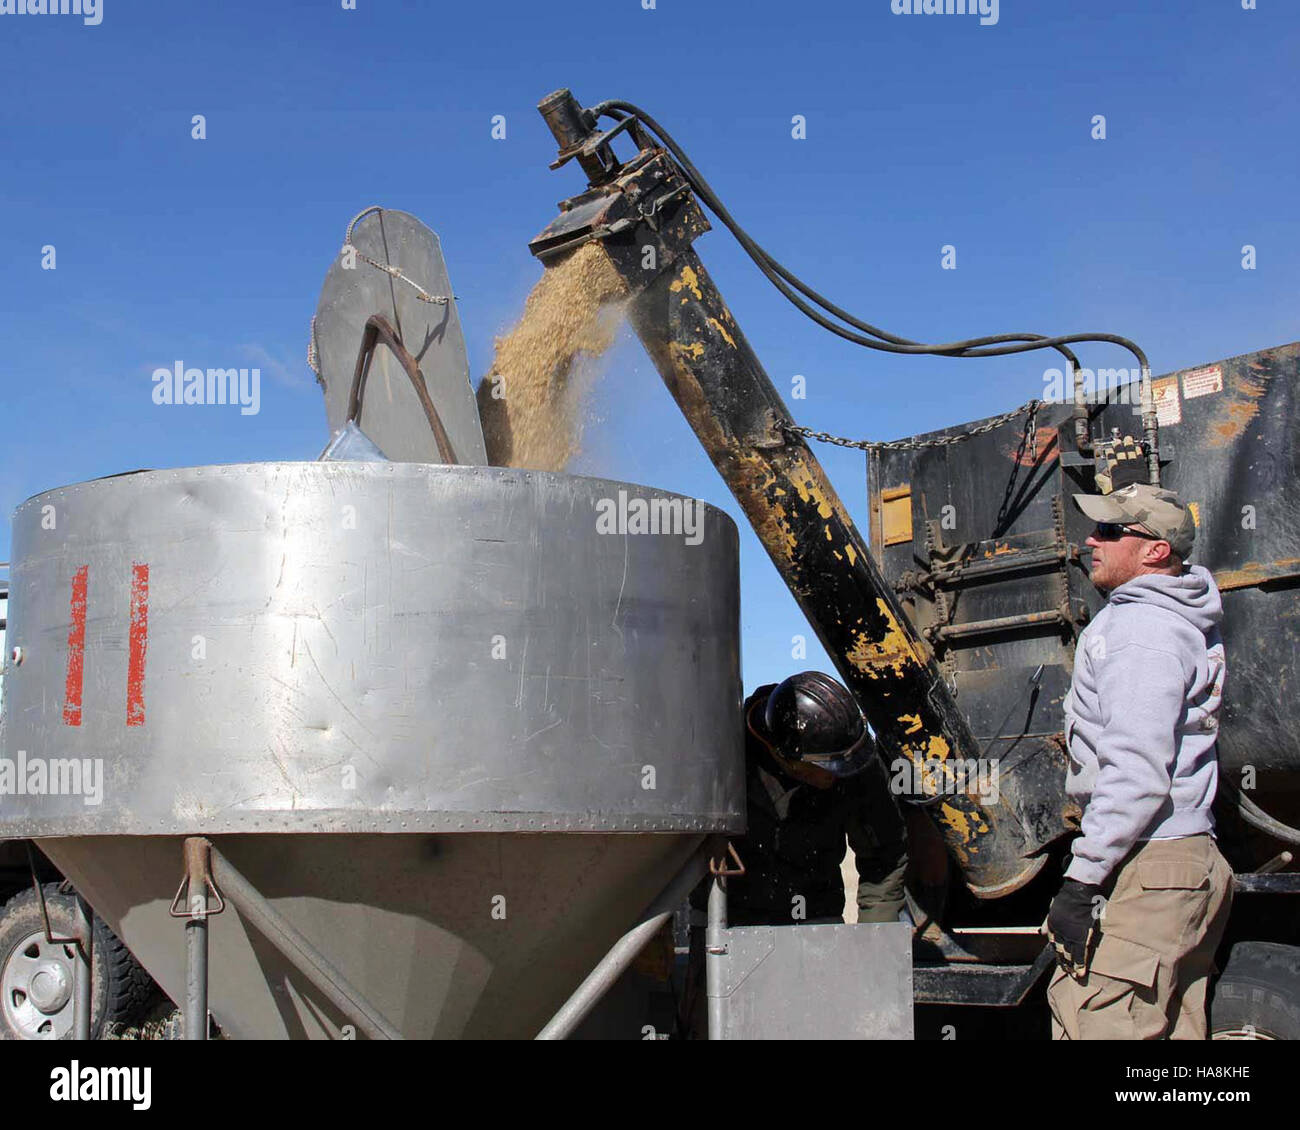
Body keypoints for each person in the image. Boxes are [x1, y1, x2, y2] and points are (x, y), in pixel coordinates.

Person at [1046, 481, 1232, 1040]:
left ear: (1155, 551)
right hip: (1180, 864)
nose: (1090, 539)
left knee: (1096, 1021)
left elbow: (1136, 771)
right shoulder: (1178, 619)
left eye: (1109, 530)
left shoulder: (1139, 629)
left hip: (1149, 863)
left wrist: (1081, 881)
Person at [678, 671, 908, 1035]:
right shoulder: (717, 748)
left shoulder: (853, 756)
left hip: (815, 922)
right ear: (785, 756)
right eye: (825, 769)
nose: (837, 777)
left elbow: (885, 854)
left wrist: (874, 949)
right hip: (723, 928)